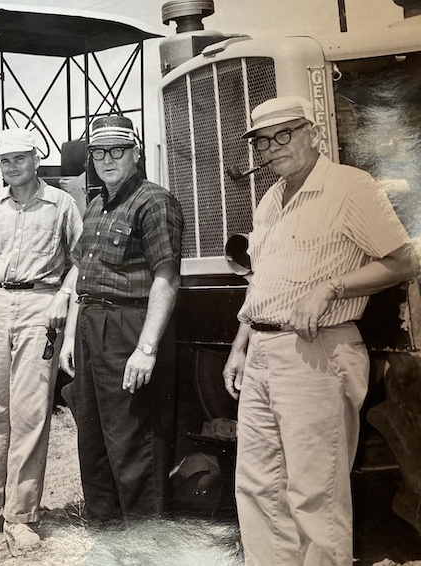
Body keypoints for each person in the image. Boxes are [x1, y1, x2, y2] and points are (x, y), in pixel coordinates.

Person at [221, 96, 416, 566]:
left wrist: (332, 287)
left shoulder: (351, 186)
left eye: (283, 134)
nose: (271, 147)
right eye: (262, 141)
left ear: (314, 133)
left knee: (315, 493)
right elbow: (262, 281)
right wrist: (240, 345)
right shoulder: (271, 198)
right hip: (264, 352)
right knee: (258, 486)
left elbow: (403, 259)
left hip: (319, 352)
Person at [0, 127, 83, 553]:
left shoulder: (62, 204)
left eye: (20, 159)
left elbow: (80, 261)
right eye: (4, 161)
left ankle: (22, 516)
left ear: (36, 159)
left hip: (39, 306)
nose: (12, 168)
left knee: (30, 414)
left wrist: (63, 297)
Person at [58, 114, 183, 521]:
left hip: (129, 328)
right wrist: (71, 339)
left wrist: (146, 349)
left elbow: (166, 277)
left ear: (136, 153)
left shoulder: (154, 202)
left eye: (118, 150)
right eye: (99, 152)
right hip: (92, 329)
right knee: (93, 443)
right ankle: (105, 539)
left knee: (134, 445)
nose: (108, 159)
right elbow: (83, 277)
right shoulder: (96, 205)